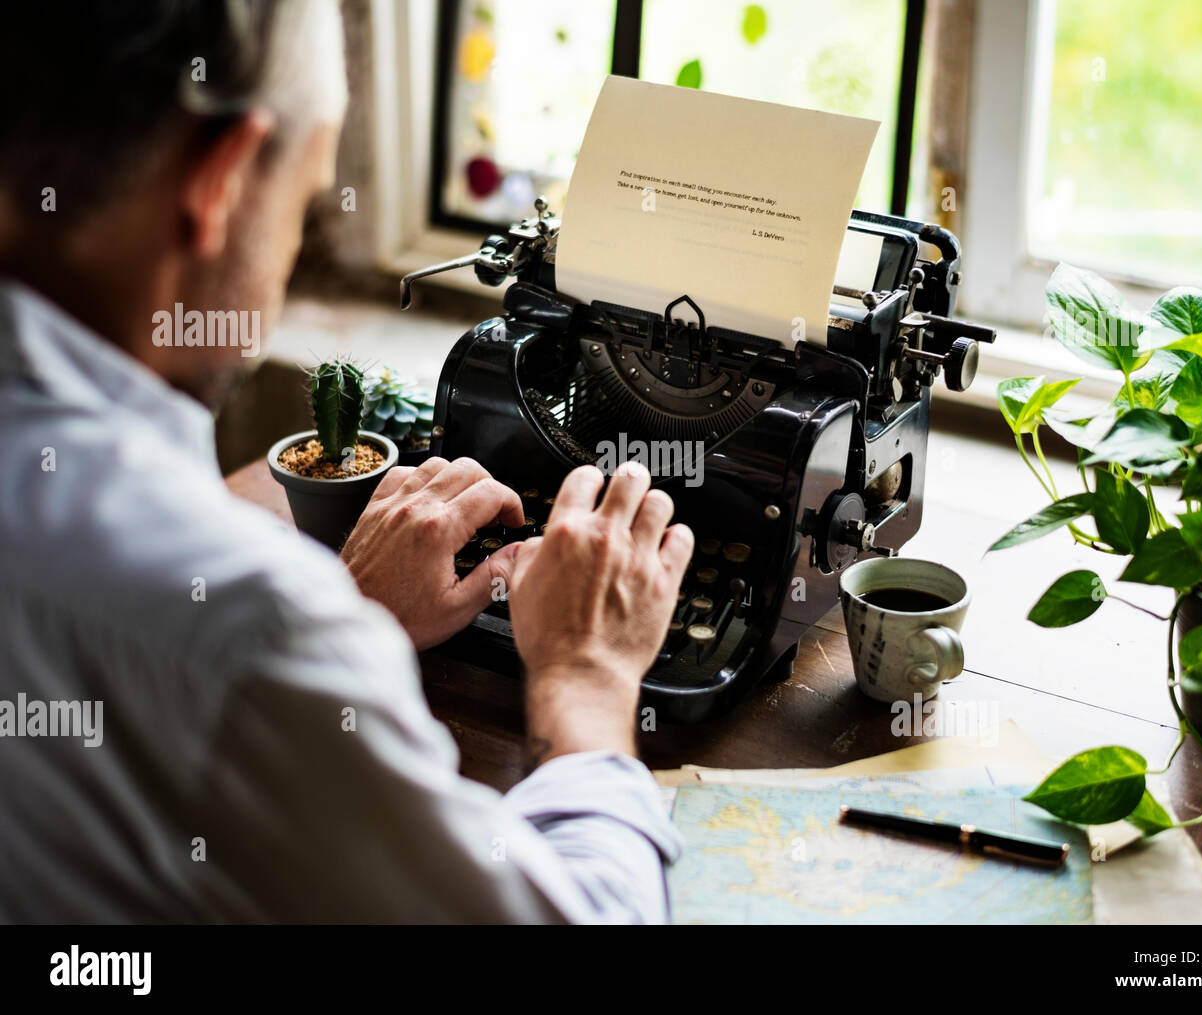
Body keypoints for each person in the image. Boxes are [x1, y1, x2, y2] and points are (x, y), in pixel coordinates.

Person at [0, 1, 693, 922]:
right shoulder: (250, 622)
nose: (288, 253)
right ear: (221, 179)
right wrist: (587, 679)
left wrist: (343, 625)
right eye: (306, 199)